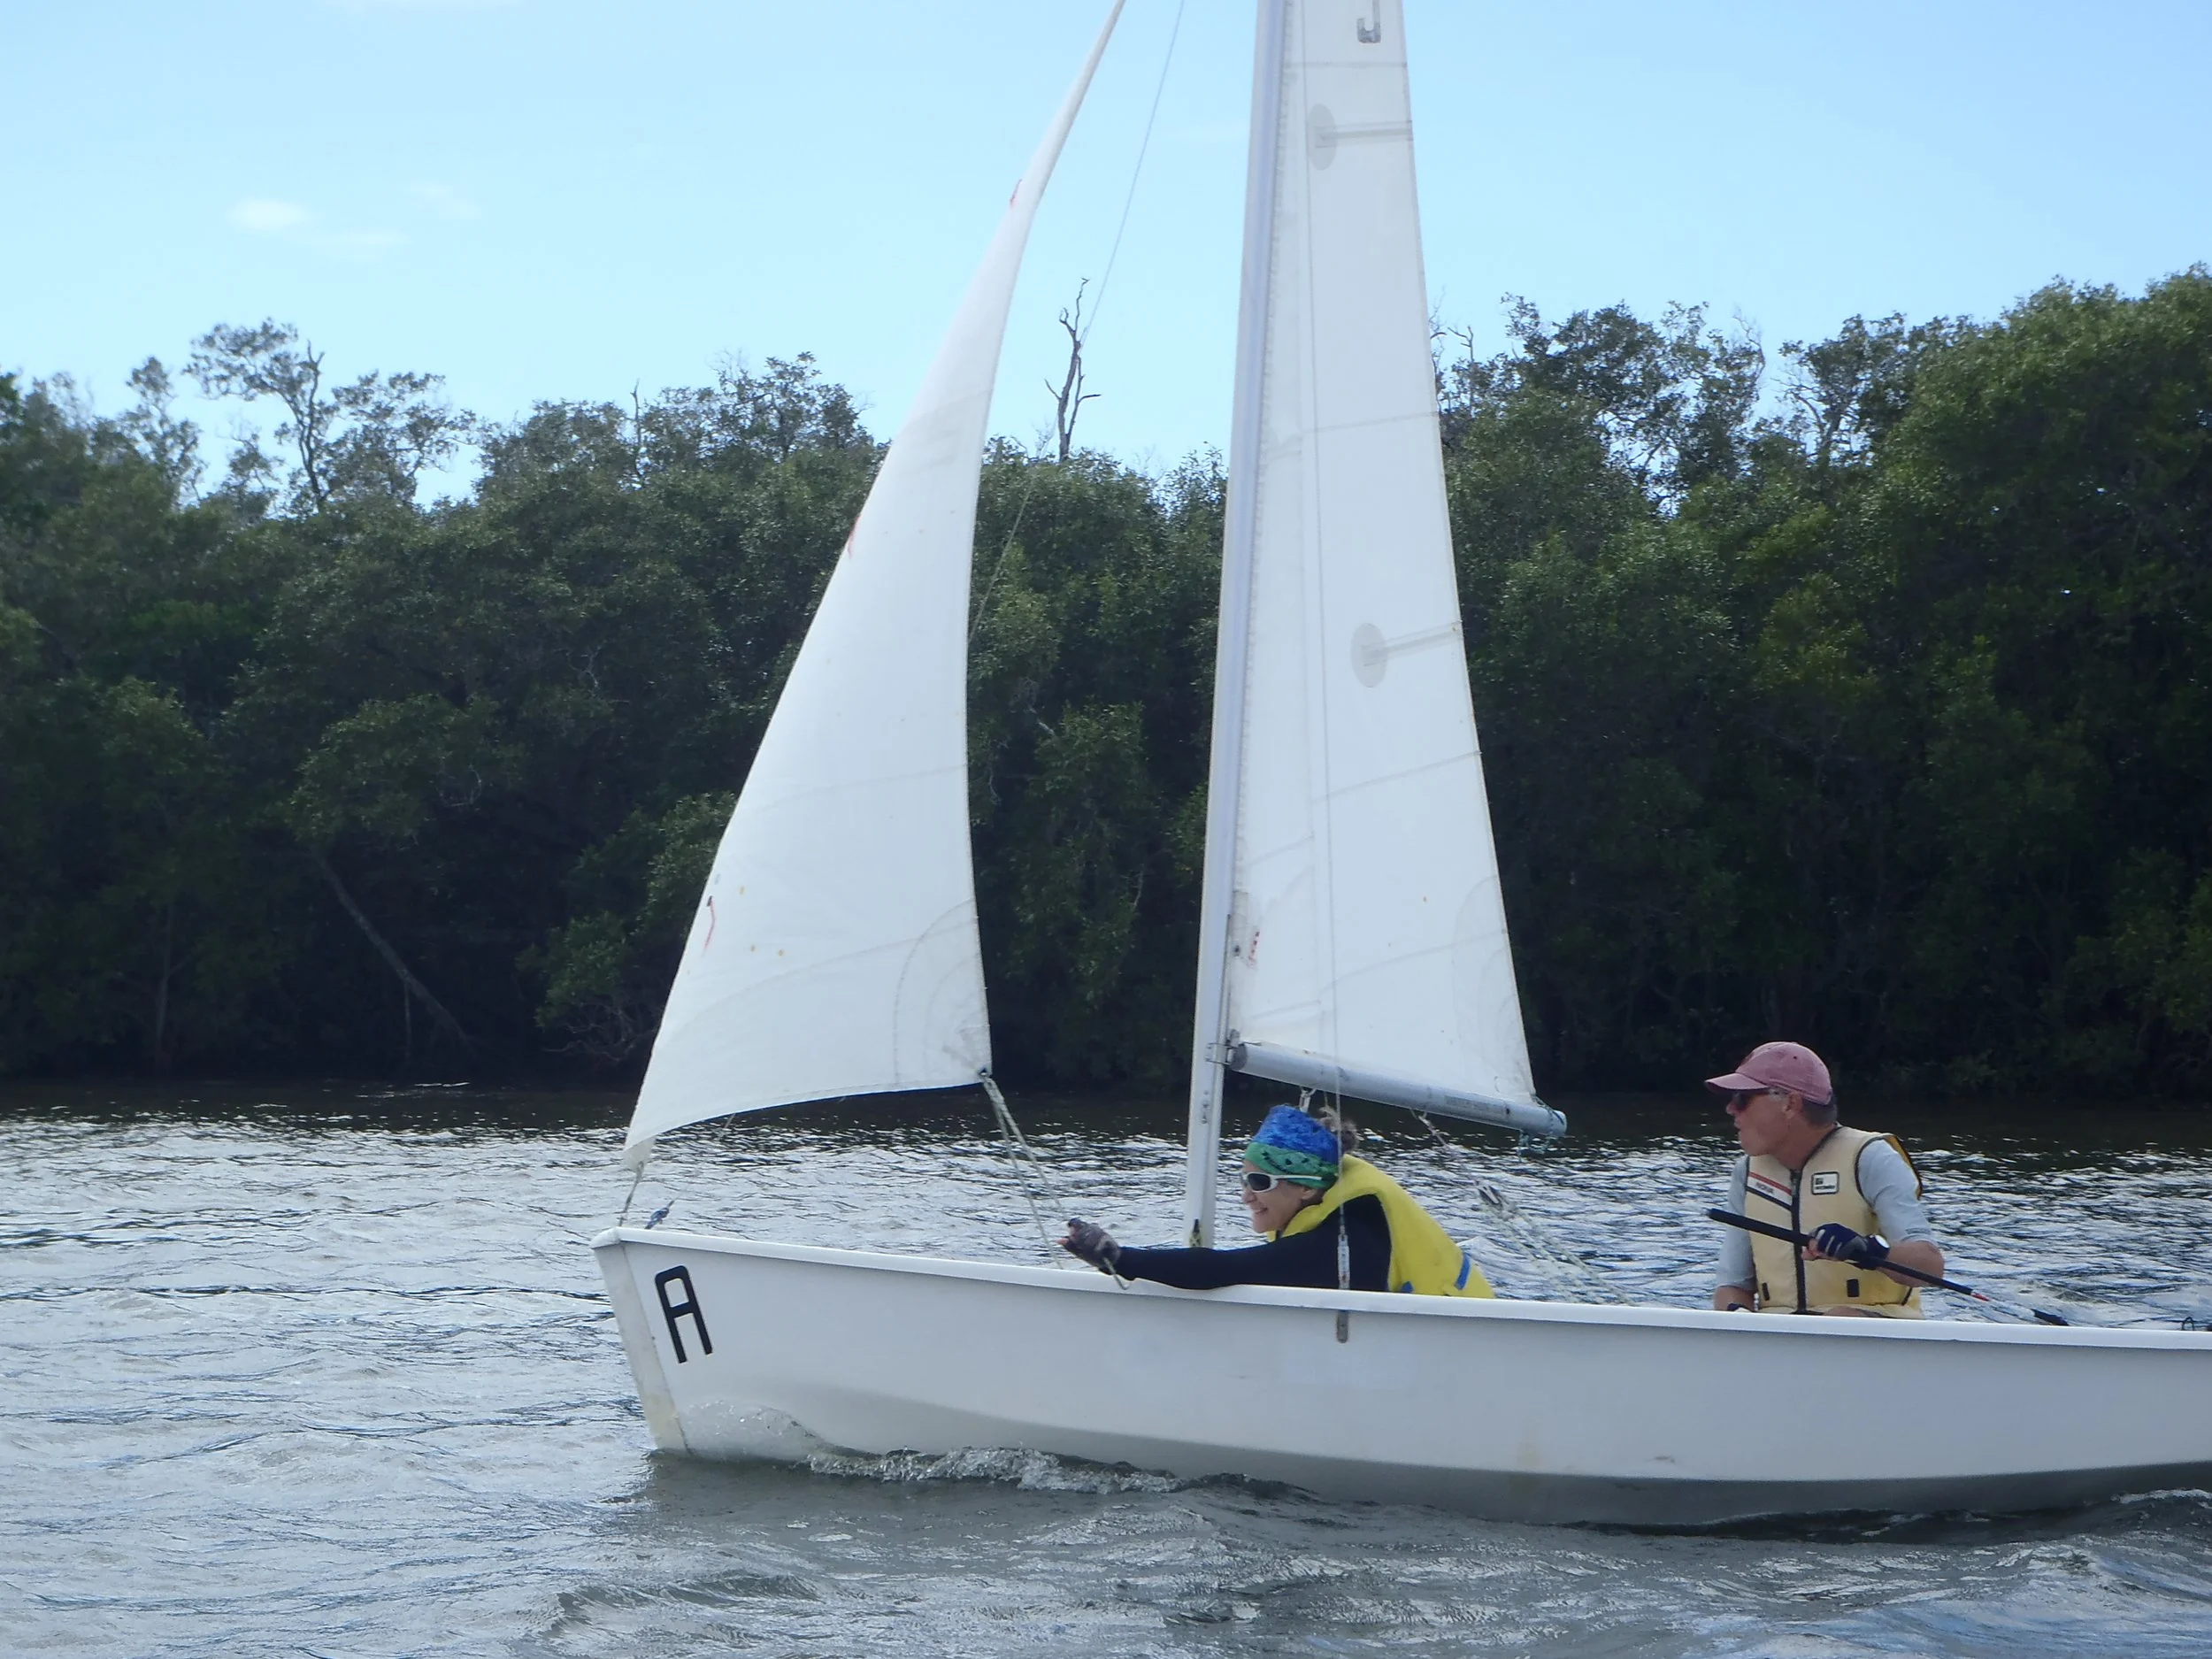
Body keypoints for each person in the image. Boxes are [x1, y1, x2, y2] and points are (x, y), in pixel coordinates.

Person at [1060, 1103, 1493, 1297]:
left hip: (1469, 1347)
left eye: (1262, 1182)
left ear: (1307, 1188)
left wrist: (1118, 1258)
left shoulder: (1339, 1244)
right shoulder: (1327, 1201)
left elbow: (1224, 1270)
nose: (1247, 1195)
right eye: (1245, 1178)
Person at [1707, 1041, 1944, 1317]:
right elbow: (1732, 1287)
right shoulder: (1746, 1172)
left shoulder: (1872, 1157)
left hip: (1872, 1332)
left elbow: (1930, 1267)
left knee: (1841, 1317)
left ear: (1790, 1103)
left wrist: (1868, 1249)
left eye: (1742, 1099)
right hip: (1782, 1337)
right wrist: (1738, 1315)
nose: (1731, 1110)